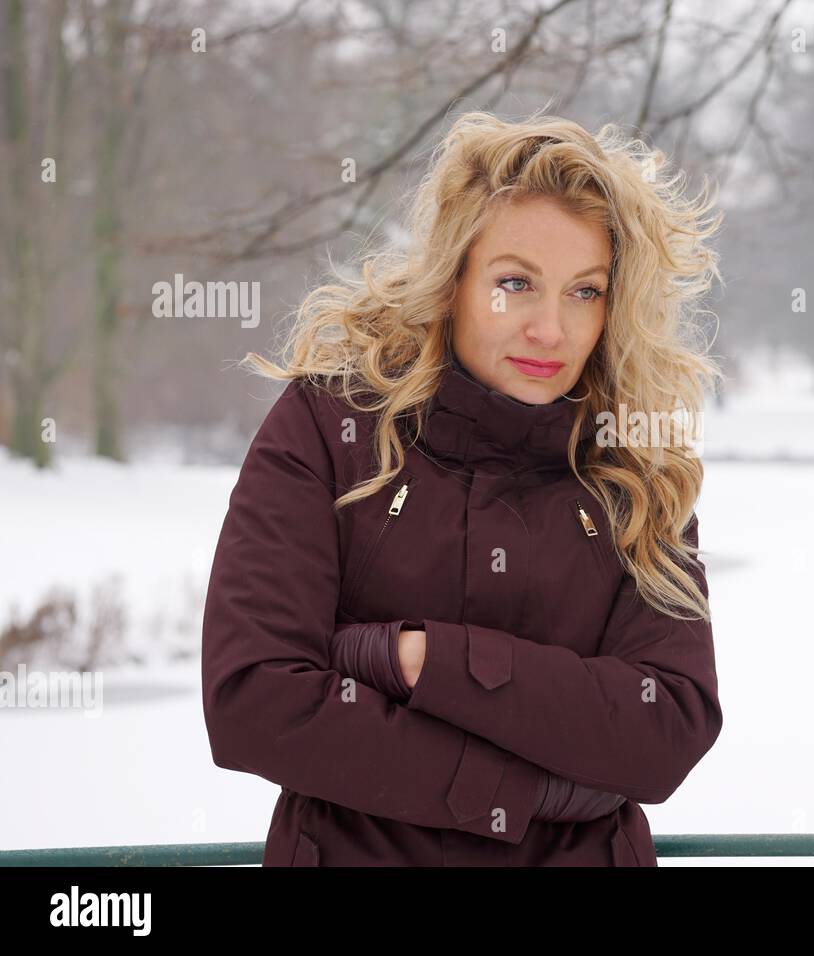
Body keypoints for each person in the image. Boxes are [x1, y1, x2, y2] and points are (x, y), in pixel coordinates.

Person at [200, 110, 725, 866]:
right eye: (516, 283)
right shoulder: (329, 428)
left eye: (586, 291)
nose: (552, 329)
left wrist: (411, 660)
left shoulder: (637, 468)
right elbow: (254, 702)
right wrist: (543, 792)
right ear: (452, 281)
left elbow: (666, 728)